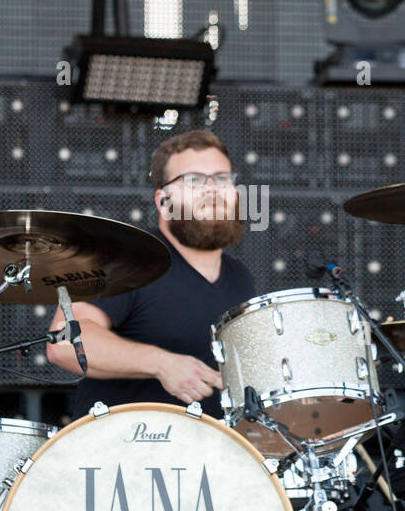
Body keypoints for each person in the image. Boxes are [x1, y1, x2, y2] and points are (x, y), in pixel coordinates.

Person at [46, 130, 256, 421]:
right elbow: (63, 341)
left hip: (212, 459)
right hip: (123, 457)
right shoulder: (128, 258)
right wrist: (160, 363)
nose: (213, 190)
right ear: (163, 201)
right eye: (194, 180)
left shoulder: (241, 278)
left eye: (222, 178)